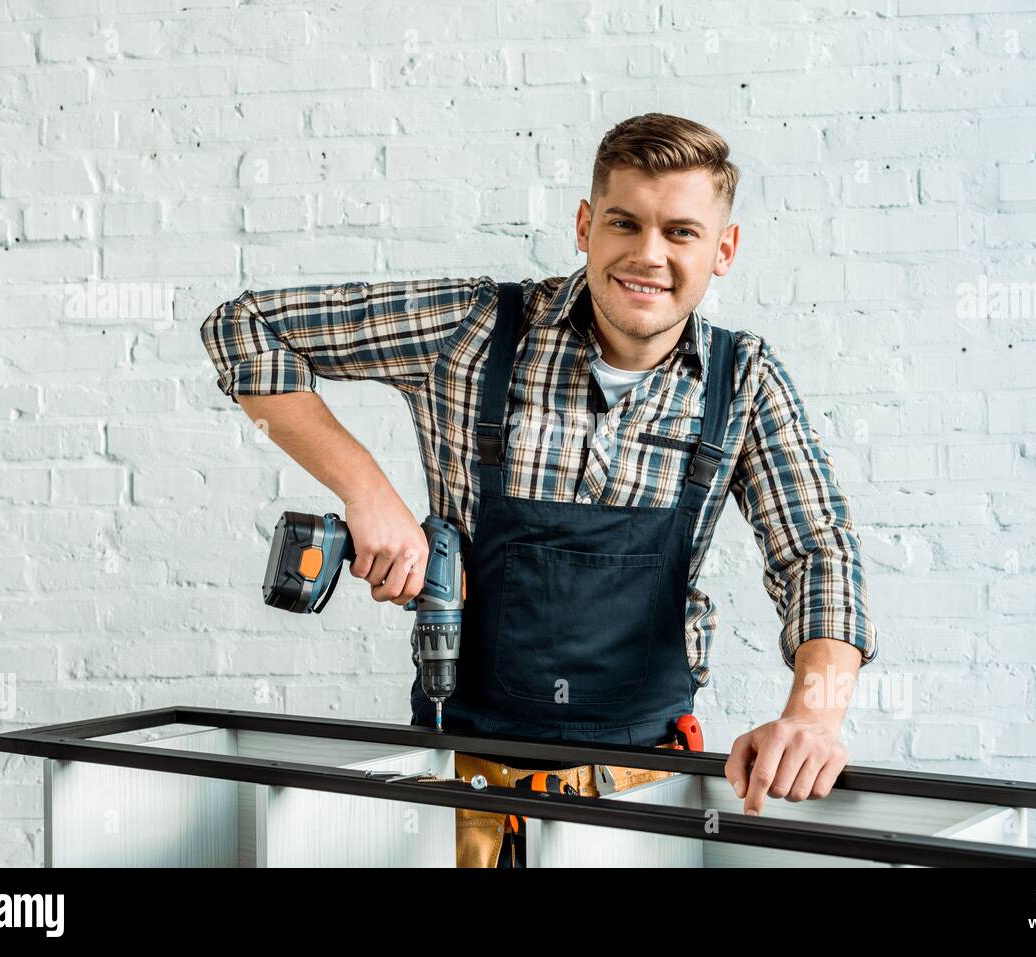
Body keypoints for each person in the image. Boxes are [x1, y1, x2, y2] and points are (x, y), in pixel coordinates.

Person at [201, 113, 878, 867]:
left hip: (643, 799)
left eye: (681, 232)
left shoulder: (741, 379)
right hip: (460, 798)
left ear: (723, 249)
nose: (648, 255)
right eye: (625, 222)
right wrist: (369, 493)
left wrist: (813, 715)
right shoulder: (477, 331)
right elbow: (244, 327)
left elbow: (817, 552)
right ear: (586, 225)